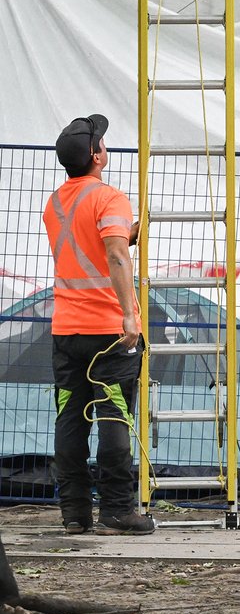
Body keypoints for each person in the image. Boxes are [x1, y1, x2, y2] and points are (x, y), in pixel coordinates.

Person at [42, 114, 153, 535]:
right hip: (109, 329)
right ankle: (118, 509)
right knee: (114, 415)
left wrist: (128, 232)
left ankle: (74, 512)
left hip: (66, 328)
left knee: (70, 417)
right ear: (96, 156)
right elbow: (113, 255)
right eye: (102, 141)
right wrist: (129, 313)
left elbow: (84, 245)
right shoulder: (110, 198)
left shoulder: (55, 203)